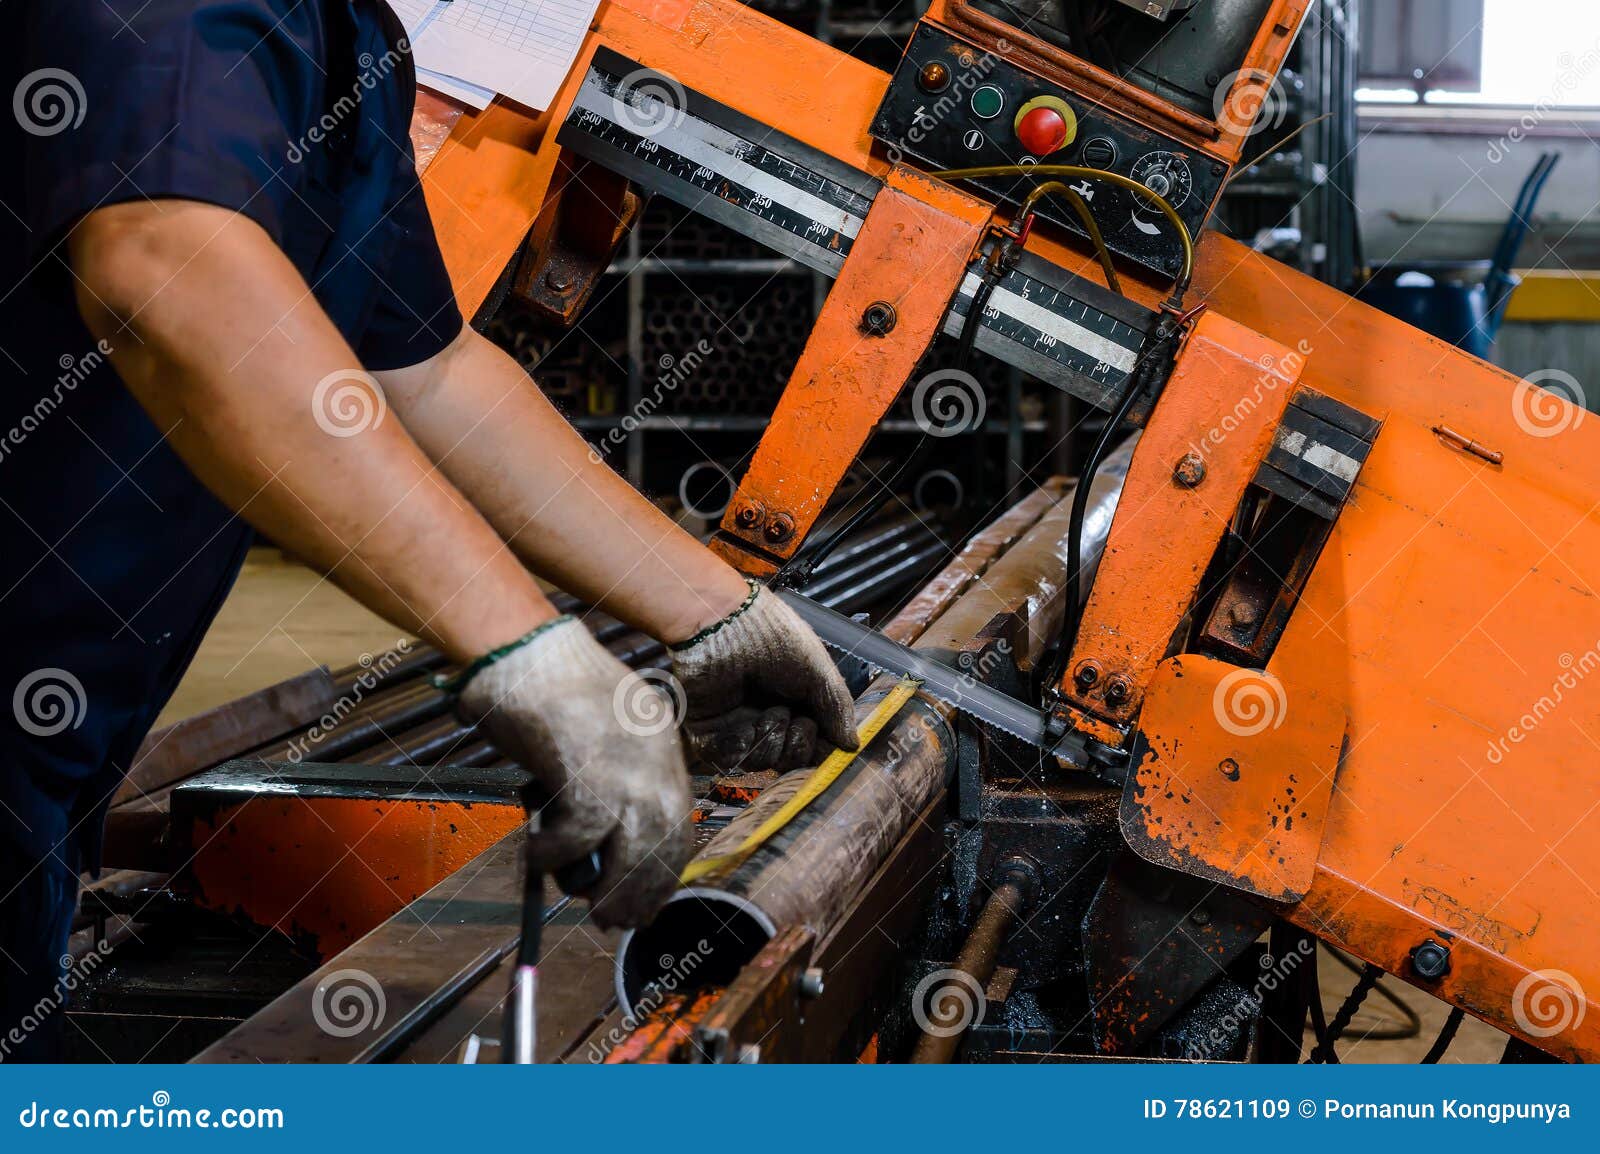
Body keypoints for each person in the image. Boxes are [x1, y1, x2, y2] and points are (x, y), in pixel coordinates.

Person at [0, 0, 857, 1060]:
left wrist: (716, 610)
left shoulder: (347, 40)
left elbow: (420, 372)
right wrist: (526, 652)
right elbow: (168, 271)